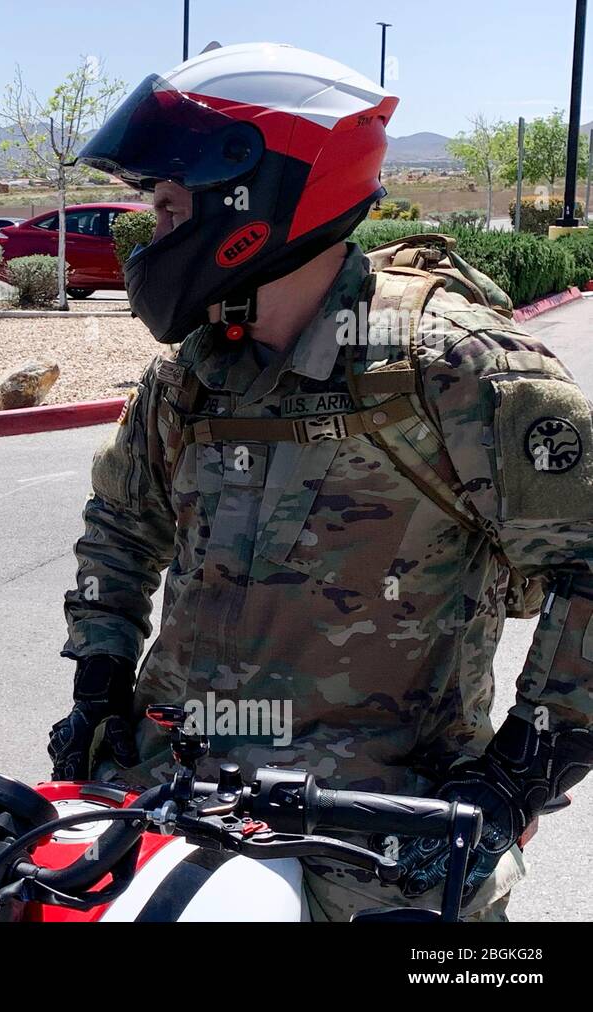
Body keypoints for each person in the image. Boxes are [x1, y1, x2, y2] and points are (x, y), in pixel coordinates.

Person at [48, 42, 593, 921]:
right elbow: (118, 526)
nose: (154, 236)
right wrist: (98, 679)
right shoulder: (192, 373)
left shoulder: (453, 368)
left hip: (376, 845)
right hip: (175, 813)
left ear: (254, 197)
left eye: (167, 207)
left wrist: (525, 769)